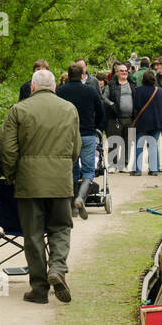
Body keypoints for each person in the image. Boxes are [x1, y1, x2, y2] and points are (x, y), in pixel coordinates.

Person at [0, 69, 80, 304]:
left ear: (33, 87)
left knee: (32, 234)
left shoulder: (18, 110)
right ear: (54, 87)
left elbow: (8, 148)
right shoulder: (69, 109)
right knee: (61, 228)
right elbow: (75, 148)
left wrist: (12, 173)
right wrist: (64, 167)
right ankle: (57, 269)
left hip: (29, 181)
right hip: (60, 180)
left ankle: (39, 288)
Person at [55, 63, 104, 219]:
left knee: (73, 169)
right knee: (89, 170)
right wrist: (95, 126)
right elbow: (101, 111)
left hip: (67, 135)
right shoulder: (90, 90)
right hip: (87, 134)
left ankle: (73, 207)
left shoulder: (60, 91)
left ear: (68, 76)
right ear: (83, 75)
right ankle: (81, 198)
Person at [132, 69, 162, 175]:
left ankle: (138, 170)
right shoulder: (159, 91)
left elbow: (136, 107)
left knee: (139, 146)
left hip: (142, 122)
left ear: (143, 79)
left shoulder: (138, 90)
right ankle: (154, 169)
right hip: (156, 122)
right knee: (153, 145)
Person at [103, 62, 136, 171]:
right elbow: (104, 97)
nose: (124, 72)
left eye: (126, 71)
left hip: (131, 119)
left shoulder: (132, 84)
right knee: (114, 142)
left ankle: (124, 165)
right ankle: (113, 165)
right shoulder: (111, 85)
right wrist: (111, 104)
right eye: (121, 71)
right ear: (116, 72)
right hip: (115, 118)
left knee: (129, 142)